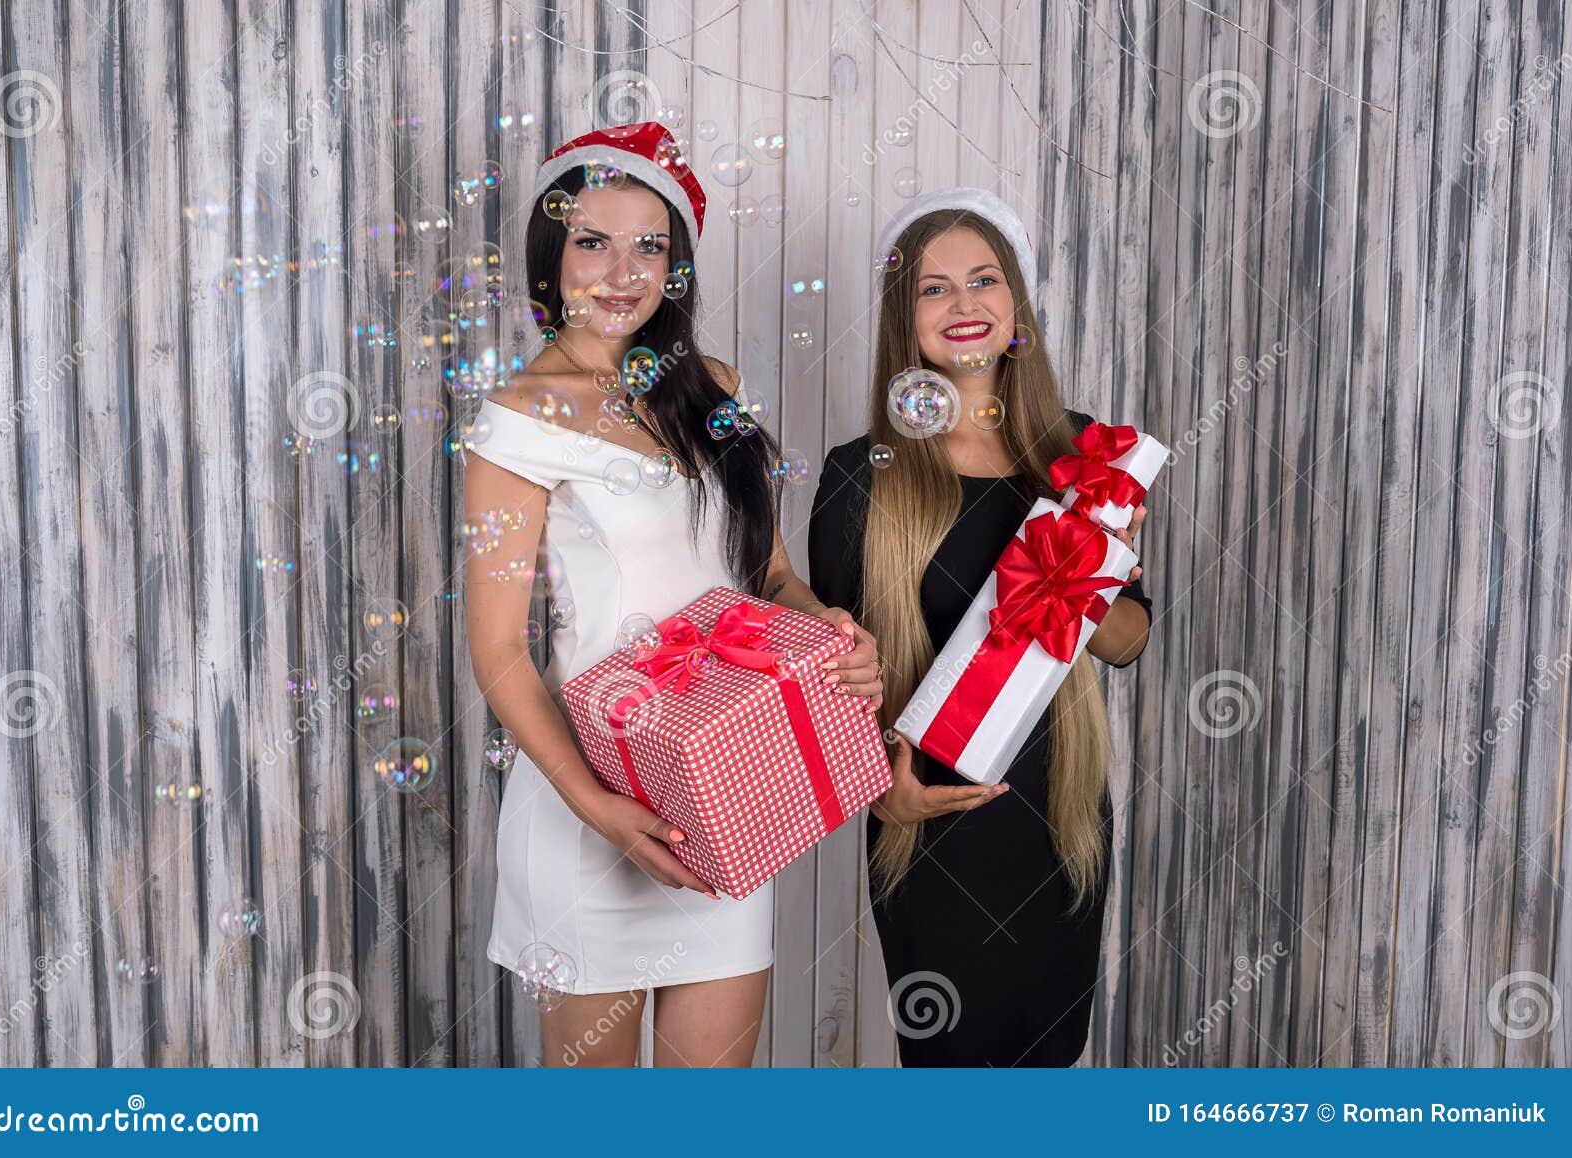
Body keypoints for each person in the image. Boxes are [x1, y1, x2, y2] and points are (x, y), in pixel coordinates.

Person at [463, 122, 883, 1067]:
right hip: (589, 807)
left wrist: (830, 636)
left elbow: (765, 574)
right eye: (591, 241)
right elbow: (498, 652)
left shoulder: (716, 388)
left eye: (649, 245)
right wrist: (598, 809)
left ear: (678, 265)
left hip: (722, 791)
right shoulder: (516, 421)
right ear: (549, 256)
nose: (622, 272)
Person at [806, 187, 1153, 1066]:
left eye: (985, 280)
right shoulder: (864, 476)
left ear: (1018, 307)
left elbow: (1131, 642)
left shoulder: (1083, 457)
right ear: (903, 319)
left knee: (1047, 1068)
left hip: (1060, 817)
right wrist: (880, 790)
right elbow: (829, 675)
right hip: (929, 828)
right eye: (933, 288)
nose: (964, 305)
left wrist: (1088, 569)